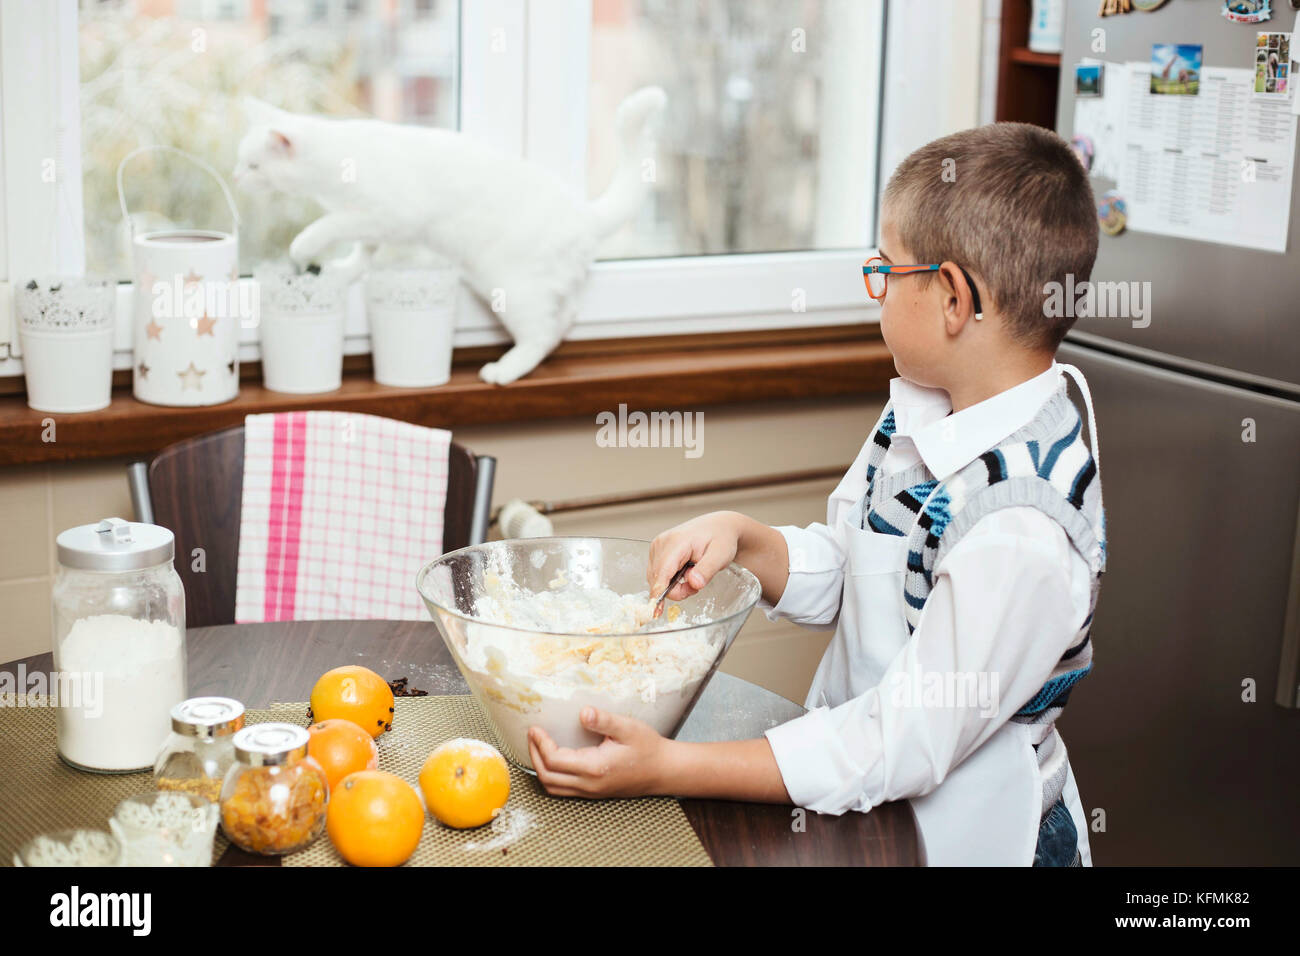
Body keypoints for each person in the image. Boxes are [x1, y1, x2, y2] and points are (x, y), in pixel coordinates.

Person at [527, 122, 1106, 866]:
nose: (875, 287)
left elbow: (899, 743)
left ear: (954, 299)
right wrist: (746, 538)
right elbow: (854, 563)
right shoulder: (932, 403)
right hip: (858, 798)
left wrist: (669, 769)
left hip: (966, 836)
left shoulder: (1019, 527)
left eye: (886, 271)